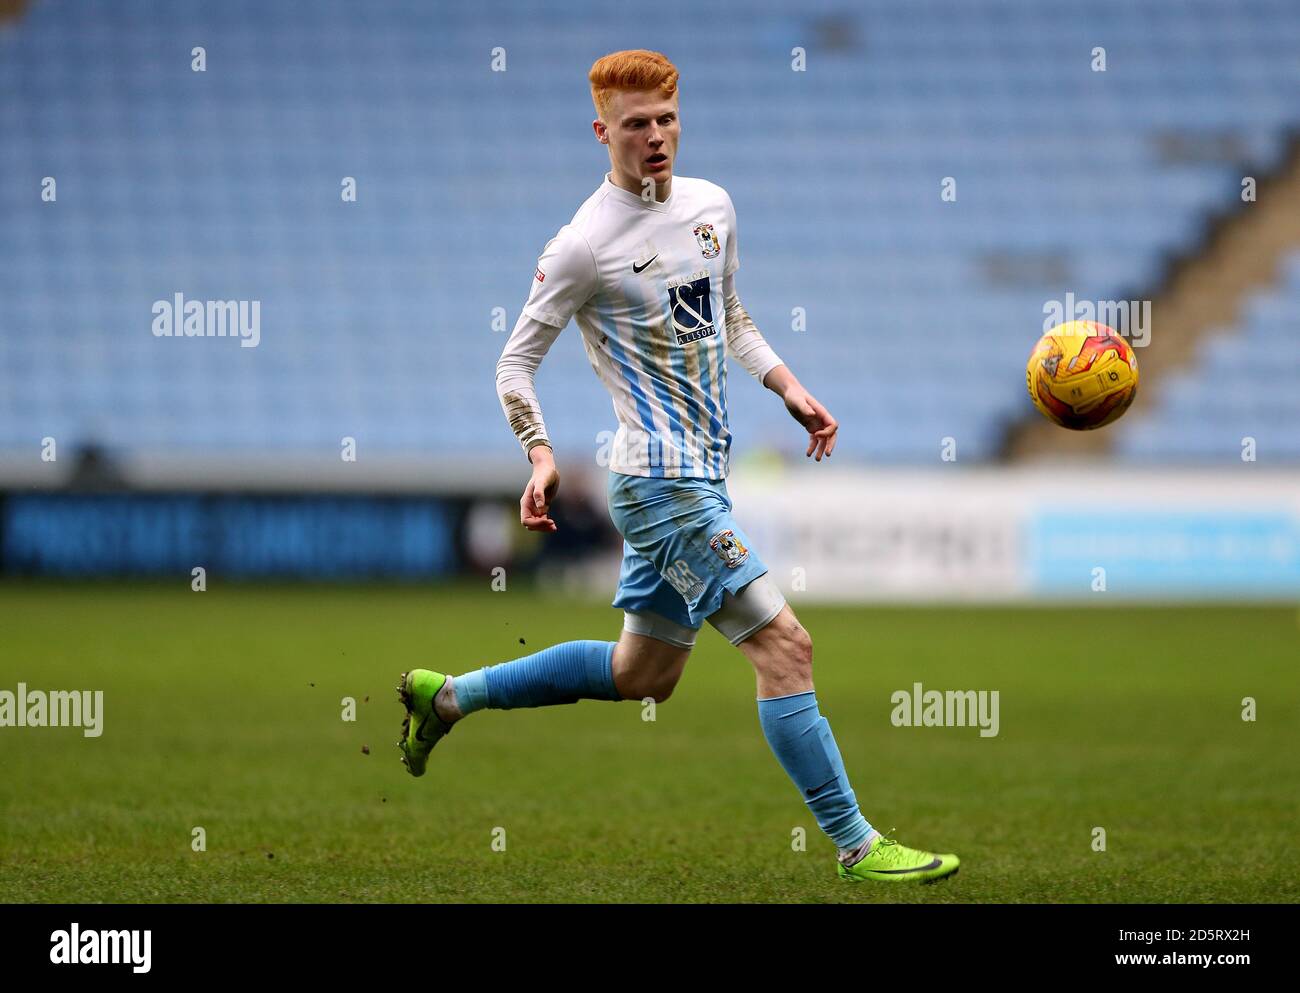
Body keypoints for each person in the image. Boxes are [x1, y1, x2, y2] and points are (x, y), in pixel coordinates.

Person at [398, 49, 958, 883]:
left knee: (643, 674)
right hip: (658, 485)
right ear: (602, 132)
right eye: (635, 126)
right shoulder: (583, 246)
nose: (655, 138)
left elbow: (726, 310)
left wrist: (788, 386)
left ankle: (447, 695)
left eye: (666, 120)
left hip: (700, 471)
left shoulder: (711, 207)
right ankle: (856, 844)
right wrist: (541, 453)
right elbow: (514, 363)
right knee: (785, 648)